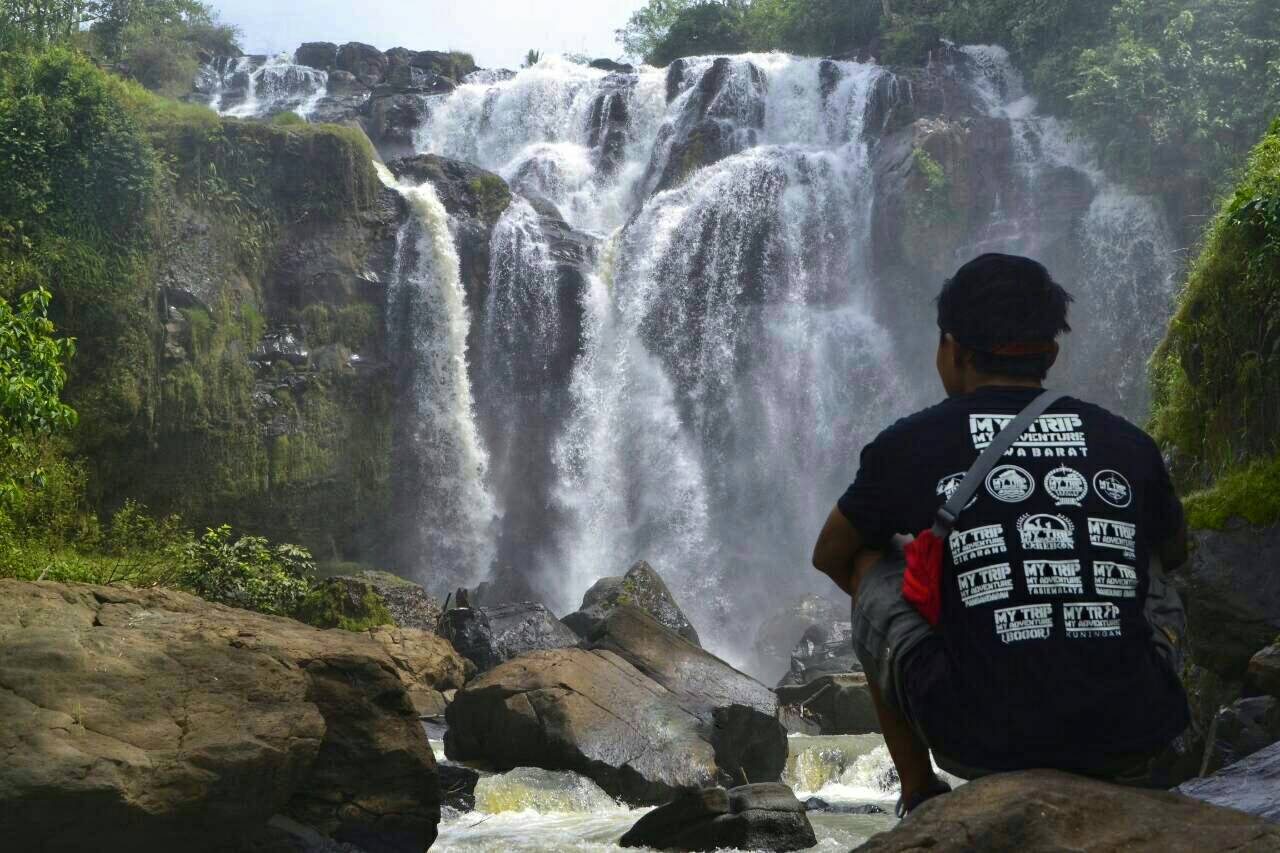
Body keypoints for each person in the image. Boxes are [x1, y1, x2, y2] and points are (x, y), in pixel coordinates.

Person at [811, 254, 1190, 815]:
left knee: (871, 555)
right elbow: (1175, 556)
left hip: (977, 737)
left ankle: (918, 790)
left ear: (952, 348)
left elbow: (831, 555)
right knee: (1151, 554)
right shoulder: (1127, 443)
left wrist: (951, 589)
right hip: (1131, 734)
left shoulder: (910, 446)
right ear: (1051, 353)